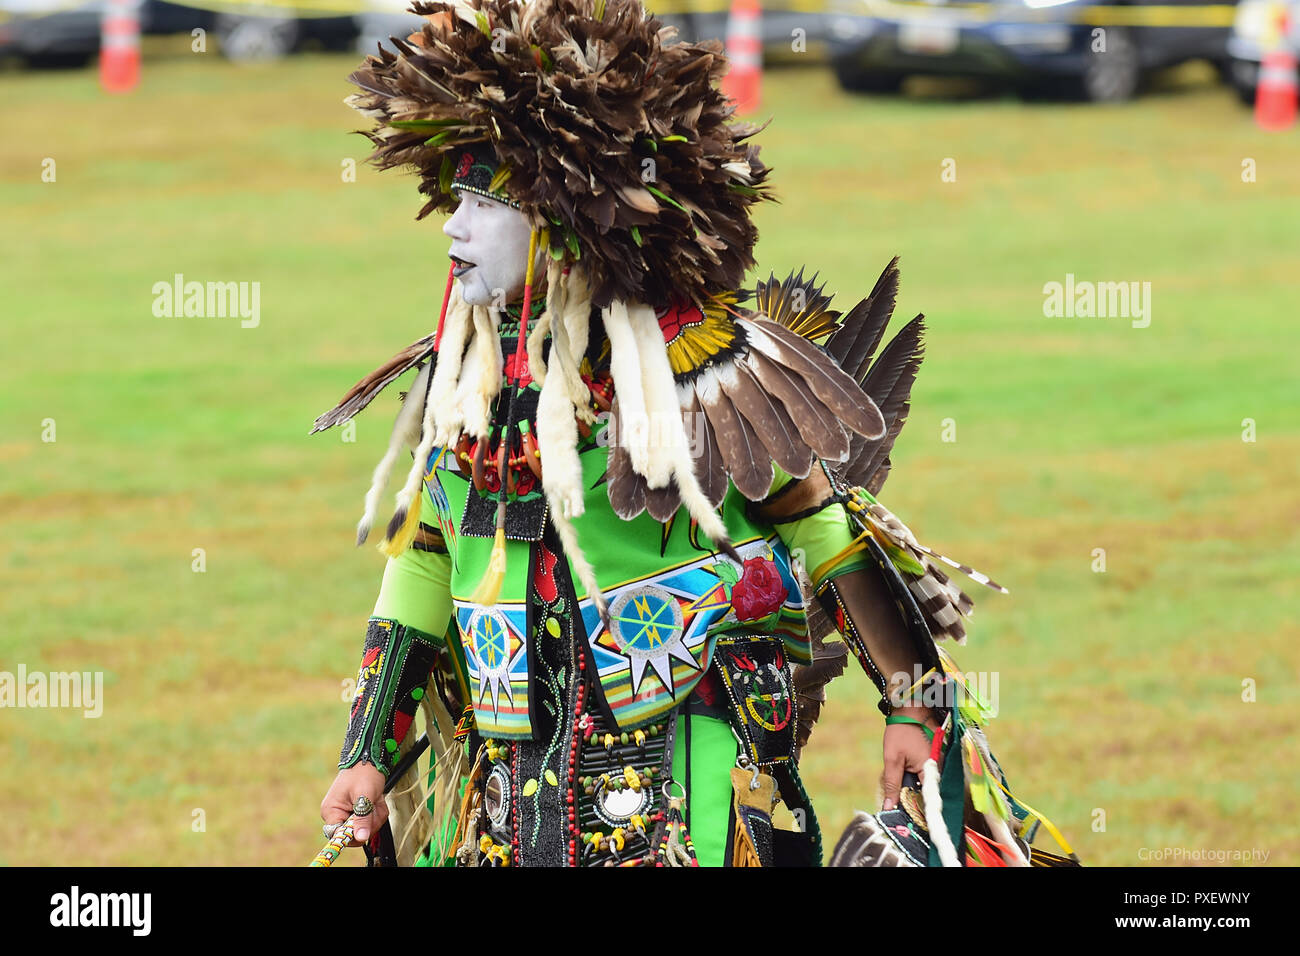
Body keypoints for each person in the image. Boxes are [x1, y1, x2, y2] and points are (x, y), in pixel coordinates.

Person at [314, 0, 1078, 868]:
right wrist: (368, 749)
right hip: (512, 793)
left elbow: (824, 530)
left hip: (684, 782)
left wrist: (911, 704)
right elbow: (422, 558)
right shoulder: (465, 379)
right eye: (456, 196)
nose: (454, 225)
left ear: (568, 220)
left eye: (485, 201)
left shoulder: (695, 367)